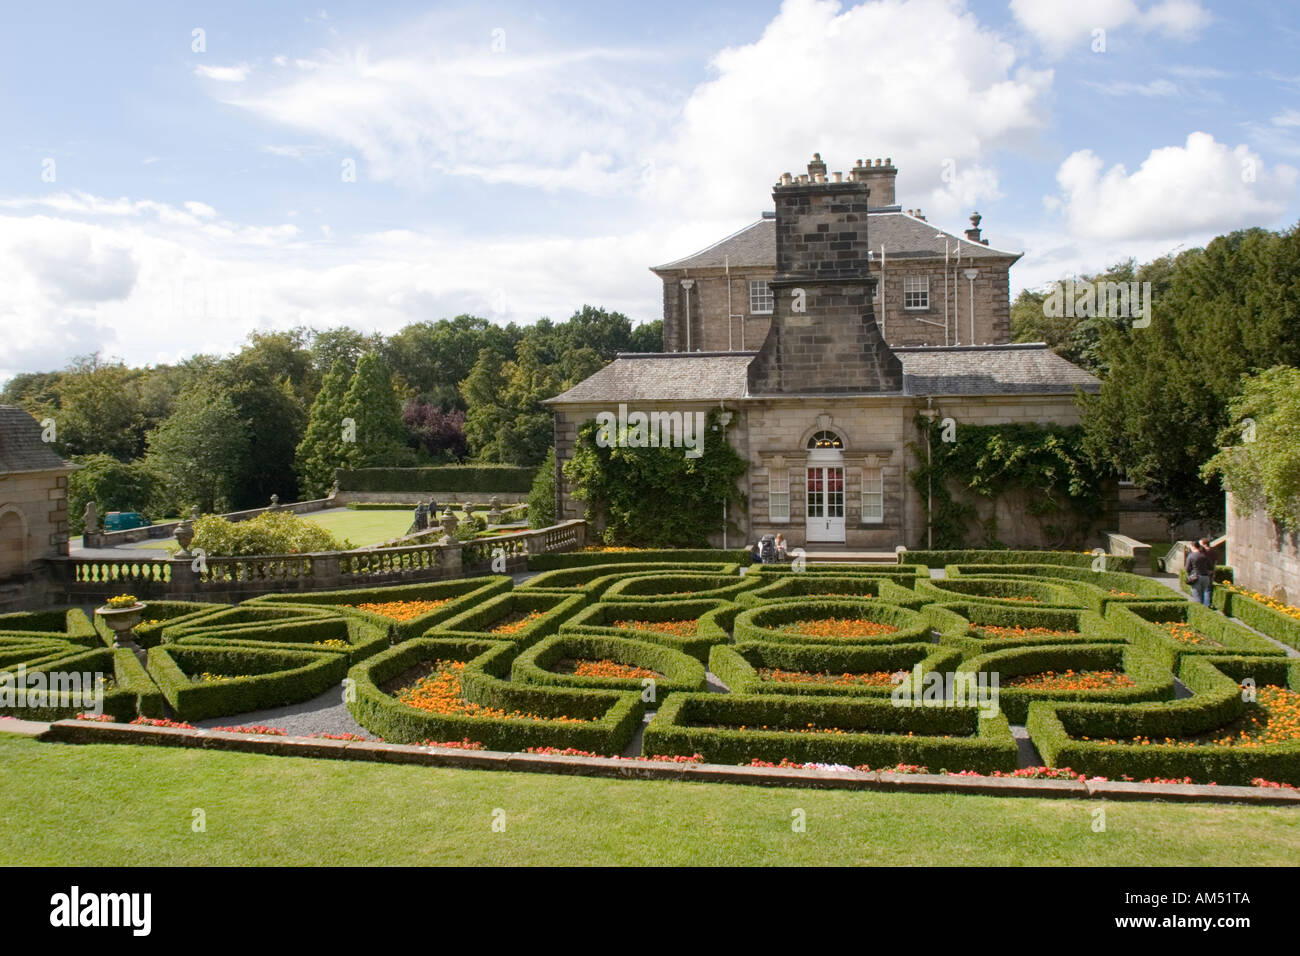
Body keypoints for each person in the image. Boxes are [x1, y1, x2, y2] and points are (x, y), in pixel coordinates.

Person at [1186, 539, 1215, 608]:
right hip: (1206, 577)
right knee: (1205, 594)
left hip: (1196, 577)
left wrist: (1189, 575)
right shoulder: (1204, 555)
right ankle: (1206, 608)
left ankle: (1200, 612)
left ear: (1193, 546)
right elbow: (1211, 567)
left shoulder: (1191, 555)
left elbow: (1187, 568)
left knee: (1197, 597)